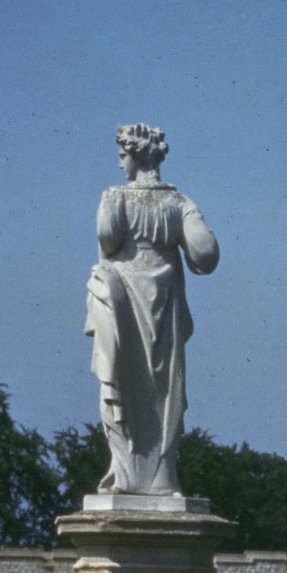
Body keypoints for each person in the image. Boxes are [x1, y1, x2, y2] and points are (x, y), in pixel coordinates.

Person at [85, 123, 218, 496]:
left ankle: (130, 474)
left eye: (123, 156)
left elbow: (107, 237)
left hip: (122, 303)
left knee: (123, 383)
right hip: (160, 305)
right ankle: (159, 477)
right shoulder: (179, 204)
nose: (121, 164)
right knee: (163, 389)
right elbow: (206, 256)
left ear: (136, 156)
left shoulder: (115, 198)